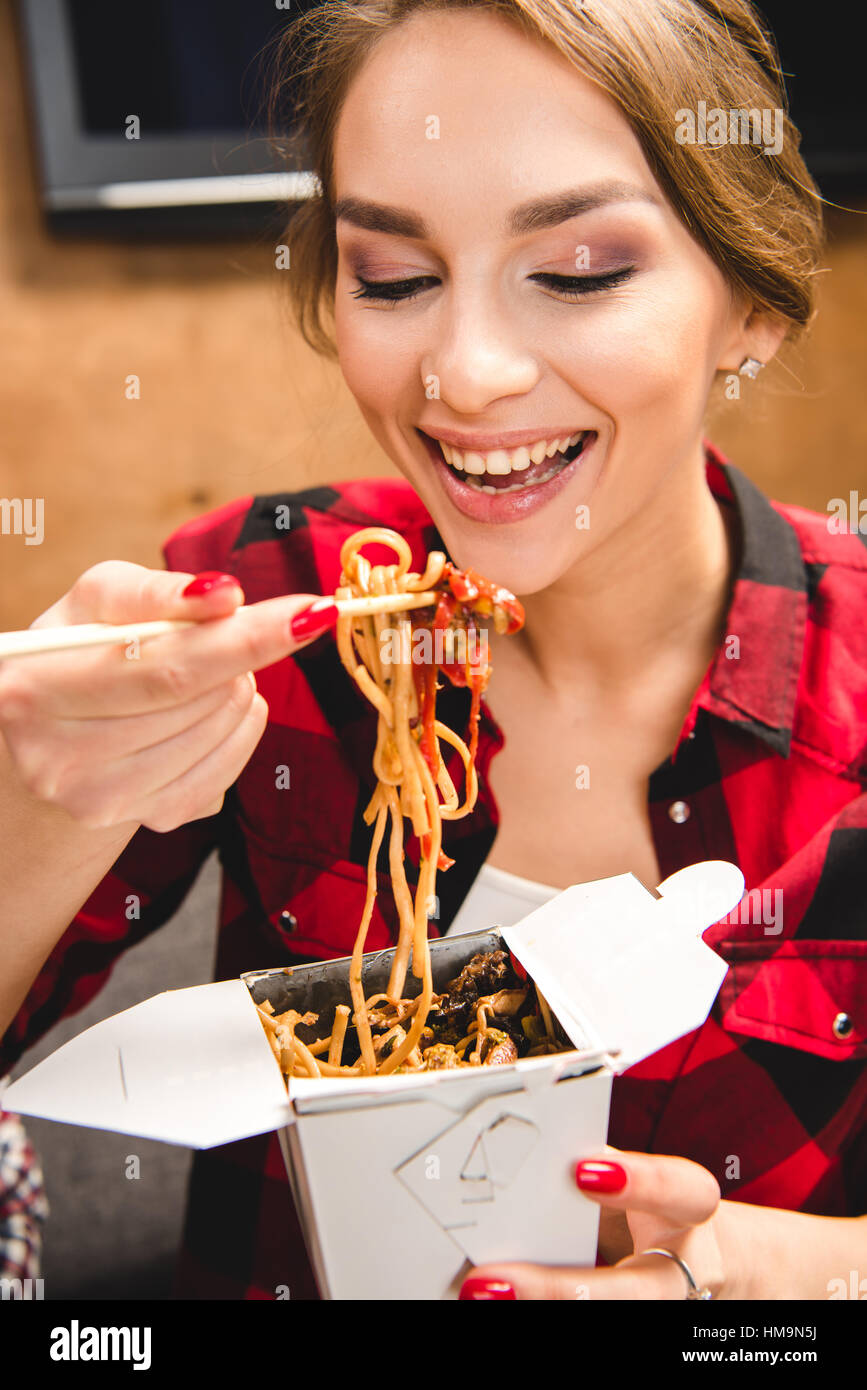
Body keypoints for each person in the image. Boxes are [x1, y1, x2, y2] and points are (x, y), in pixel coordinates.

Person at [1, 0, 865, 1301]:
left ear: (751, 301)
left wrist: (768, 1272)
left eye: (578, 270)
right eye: (394, 279)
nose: (462, 375)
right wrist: (30, 798)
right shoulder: (268, 600)